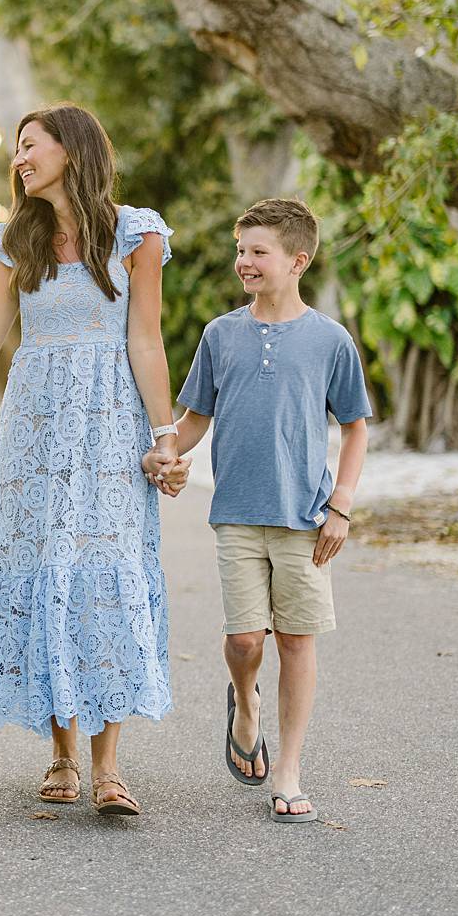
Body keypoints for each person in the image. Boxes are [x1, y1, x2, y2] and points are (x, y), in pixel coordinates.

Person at [0, 102, 180, 817]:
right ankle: (60, 750)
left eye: (30, 145)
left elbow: (145, 340)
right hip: (35, 431)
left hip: (110, 423)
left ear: (71, 147)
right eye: (16, 149)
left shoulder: (135, 233)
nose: (19, 158)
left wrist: (164, 433)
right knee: (47, 564)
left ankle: (108, 763)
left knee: (105, 568)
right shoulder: (14, 242)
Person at [155, 197, 370, 823]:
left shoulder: (330, 340)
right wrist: (165, 453)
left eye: (258, 252)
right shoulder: (221, 334)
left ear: (297, 261)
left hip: (306, 518)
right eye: (241, 250)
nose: (243, 262)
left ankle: (290, 769)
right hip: (238, 513)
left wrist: (342, 507)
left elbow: (355, 428)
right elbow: (194, 418)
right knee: (246, 639)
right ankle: (244, 703)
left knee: (298, 642)